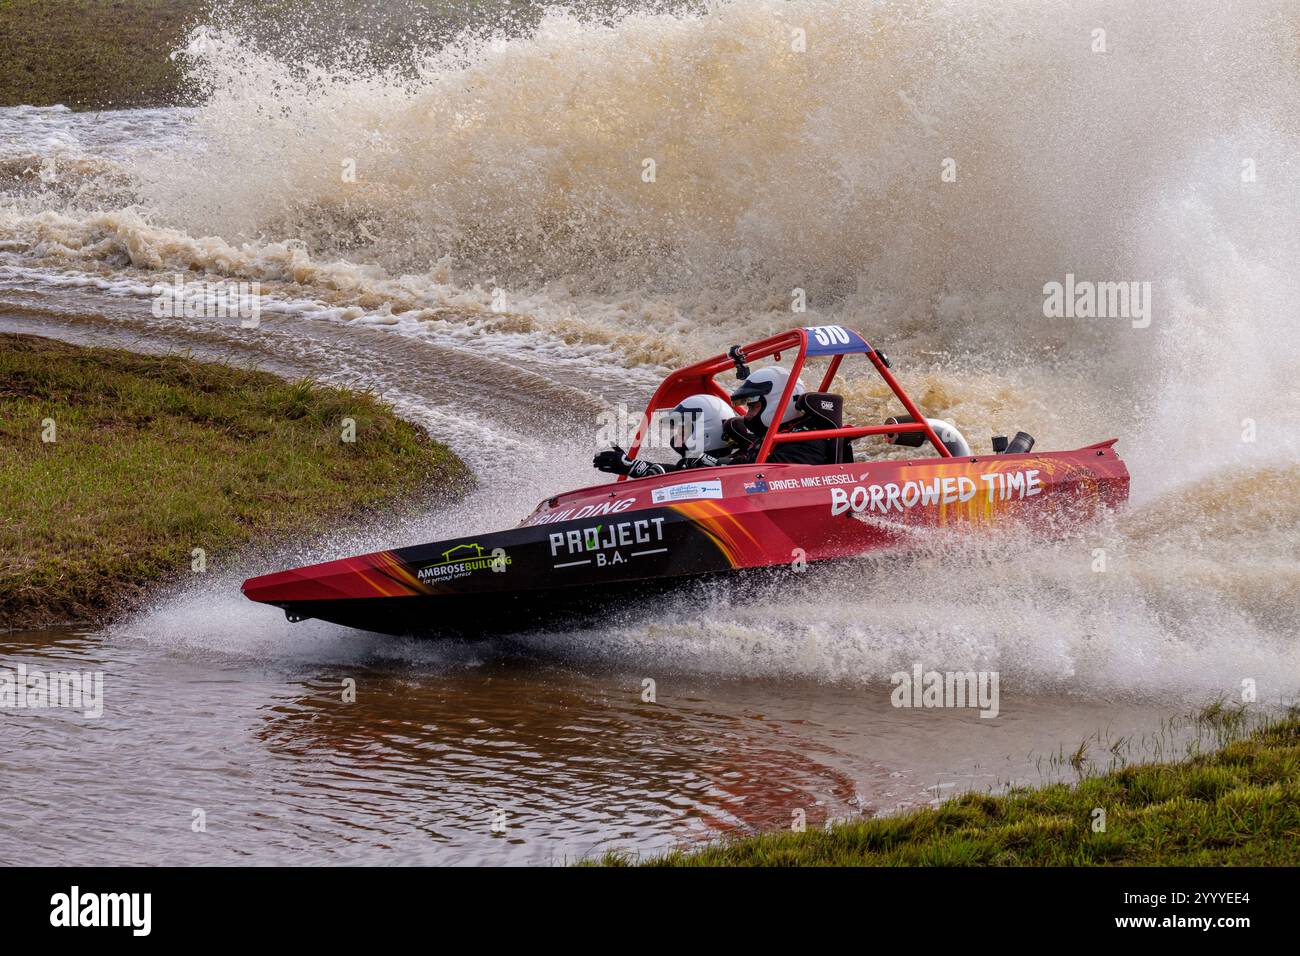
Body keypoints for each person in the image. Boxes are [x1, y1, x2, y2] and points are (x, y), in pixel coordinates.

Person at [593, 393, 740, 479]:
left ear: (706, 430)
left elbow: (683, 486)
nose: (676, 439)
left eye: (683, 430)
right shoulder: (700, 467)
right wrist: (631, 466)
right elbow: (678, 475)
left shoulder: (739, 467)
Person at [727, 366, 836, 466]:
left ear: (777, 404)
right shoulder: (777, 431)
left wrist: (728, 464)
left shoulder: (807, 440)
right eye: (749, 408)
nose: (748, 415)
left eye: (754, 407)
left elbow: (771, 471)